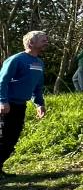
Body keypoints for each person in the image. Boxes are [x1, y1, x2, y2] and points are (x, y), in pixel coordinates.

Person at [0, 31, 49, 176]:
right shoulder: (16, 60)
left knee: (12, 138)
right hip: (7, 106)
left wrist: (39, 104)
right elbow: (2, 81)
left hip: (21, 105)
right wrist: (2, 101)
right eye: (42, 39)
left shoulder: (39, 63)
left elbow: (37, 86)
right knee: (3, 138)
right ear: (31, 43)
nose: (46, 40)